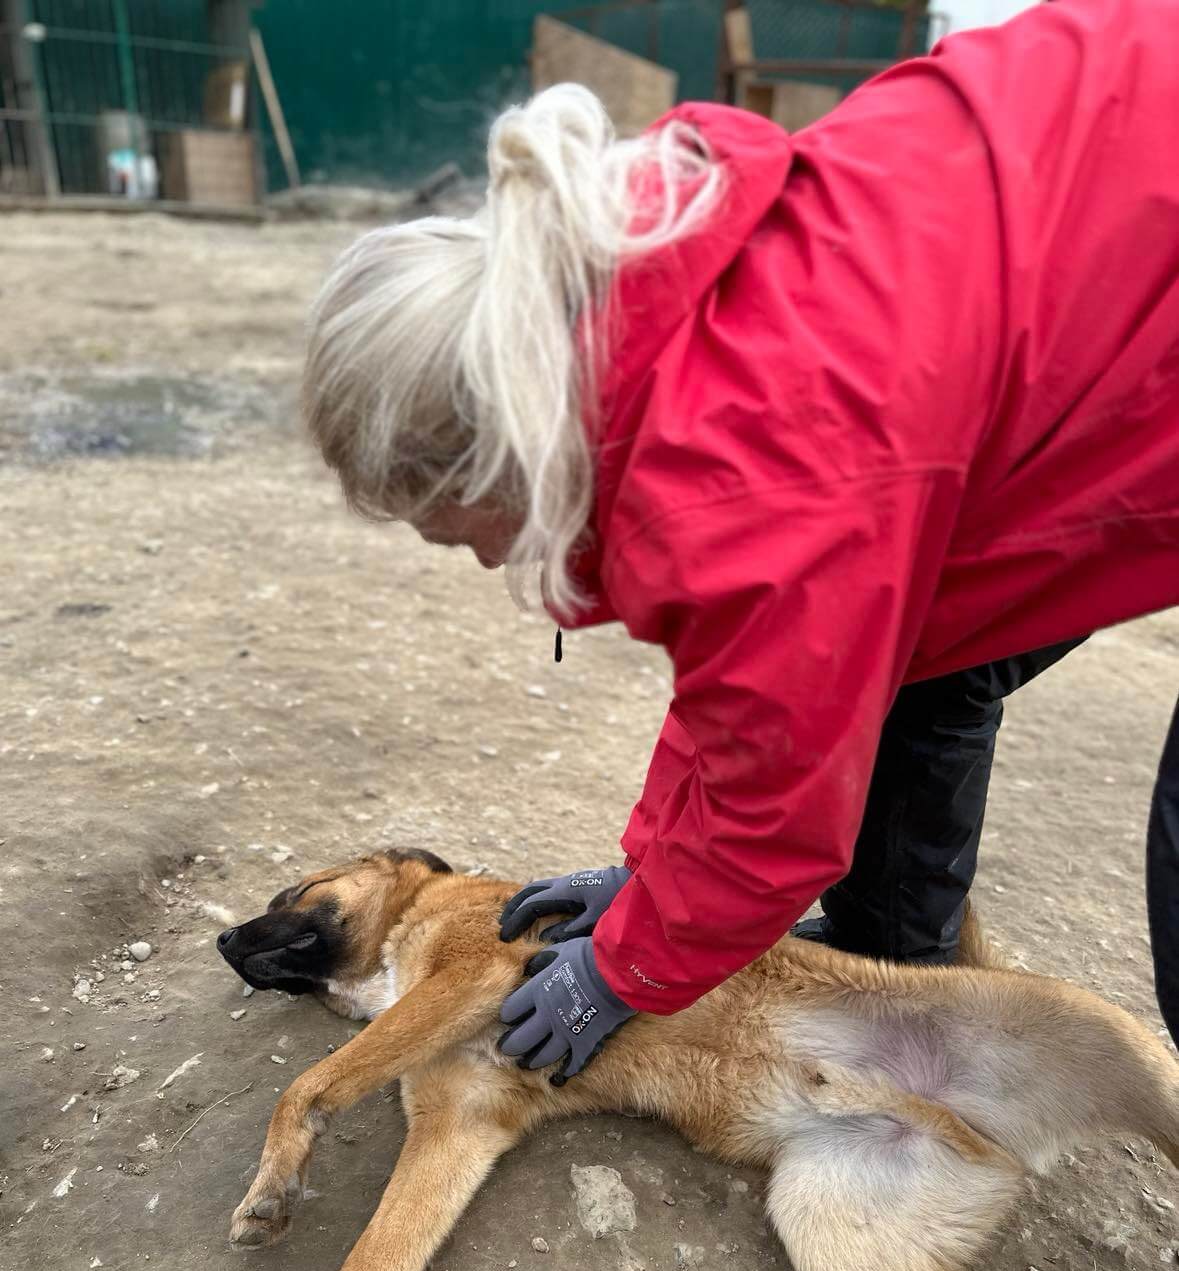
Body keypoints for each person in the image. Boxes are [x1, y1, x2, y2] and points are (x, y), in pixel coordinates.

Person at [303, 0, 1179, 1082]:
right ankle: (892, 971)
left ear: (495, 458)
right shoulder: (654, 306)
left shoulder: (746, 478)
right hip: (1113, 202)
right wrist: (650, 872)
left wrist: (625, 968)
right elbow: (763, 696)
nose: (484, 561)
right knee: (920, 666)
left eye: (454, 530)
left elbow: (774, 810)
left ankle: (897, 990)